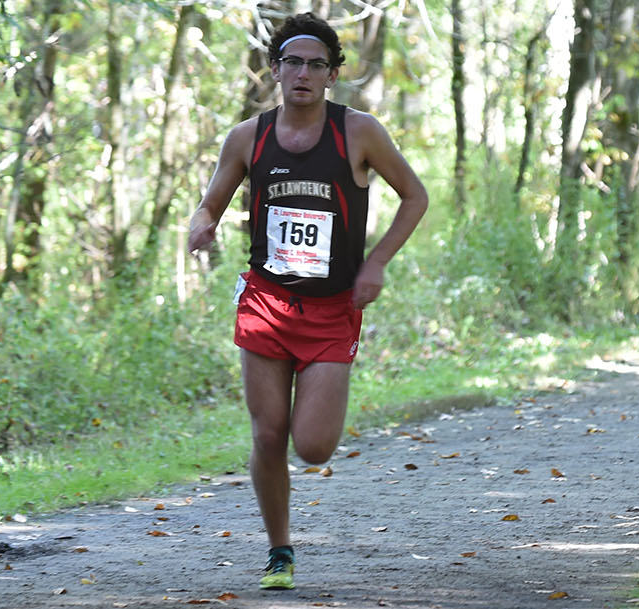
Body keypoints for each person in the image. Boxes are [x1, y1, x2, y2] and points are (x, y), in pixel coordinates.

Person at [185, 13, 428, 591]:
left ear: (333, 75)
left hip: (331, 309)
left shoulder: (359, 132)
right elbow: (209, 203)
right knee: (267, 435)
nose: (302, 73)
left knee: (313, 446)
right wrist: (201, 226)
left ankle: (312, 418)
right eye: (292, 61)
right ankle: (279, 552)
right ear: (274, 69)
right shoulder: (249, 137)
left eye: (316, 64)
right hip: (266, 302)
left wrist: (376, 263)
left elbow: (415, 197)